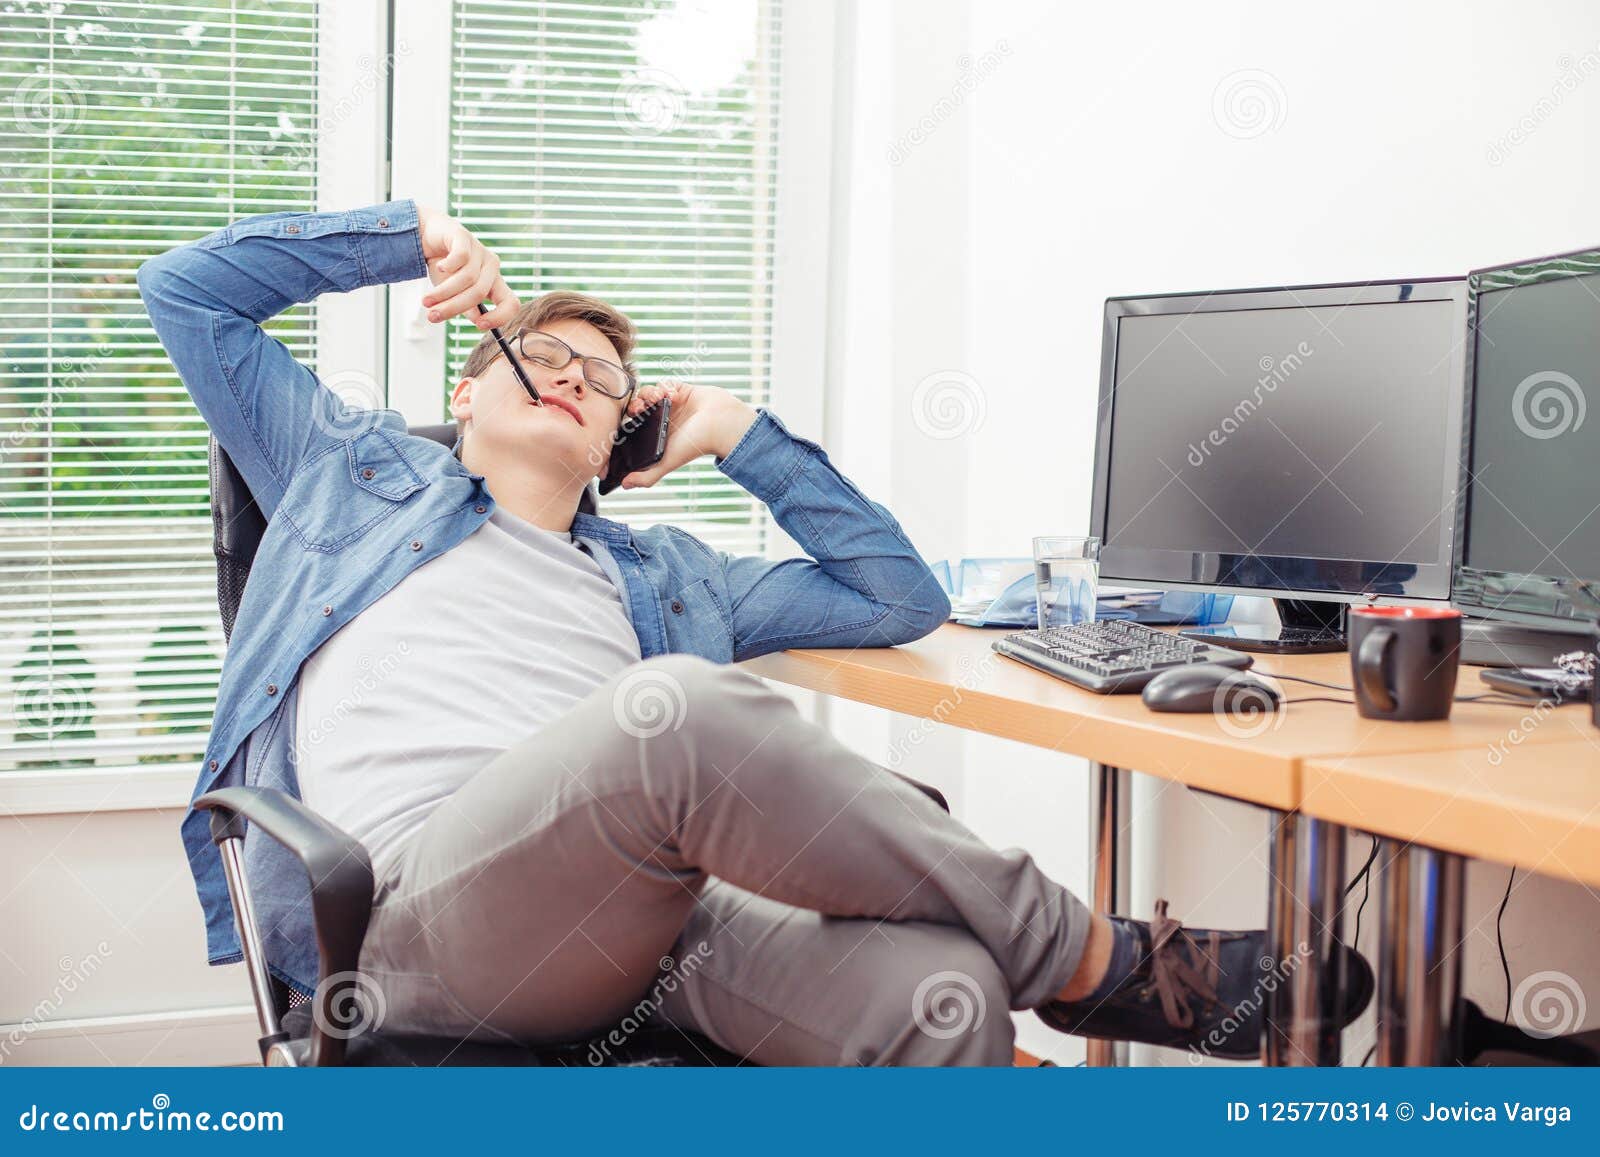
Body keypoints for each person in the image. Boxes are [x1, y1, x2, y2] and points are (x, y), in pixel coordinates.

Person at [138, 199, 1372, 1066]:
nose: (574, 375)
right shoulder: (342, 475)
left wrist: (741, 433)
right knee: (680, 710)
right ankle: (1099, 956)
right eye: (547, 354)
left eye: (608, 380)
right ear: (469, 383)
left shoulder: (672, 576)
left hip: (649, 925)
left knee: (939, 997)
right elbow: (185, 292)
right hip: (415, 917)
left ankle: (1041, 989)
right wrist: (409, 236)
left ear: (624, 442)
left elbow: (897, 597)